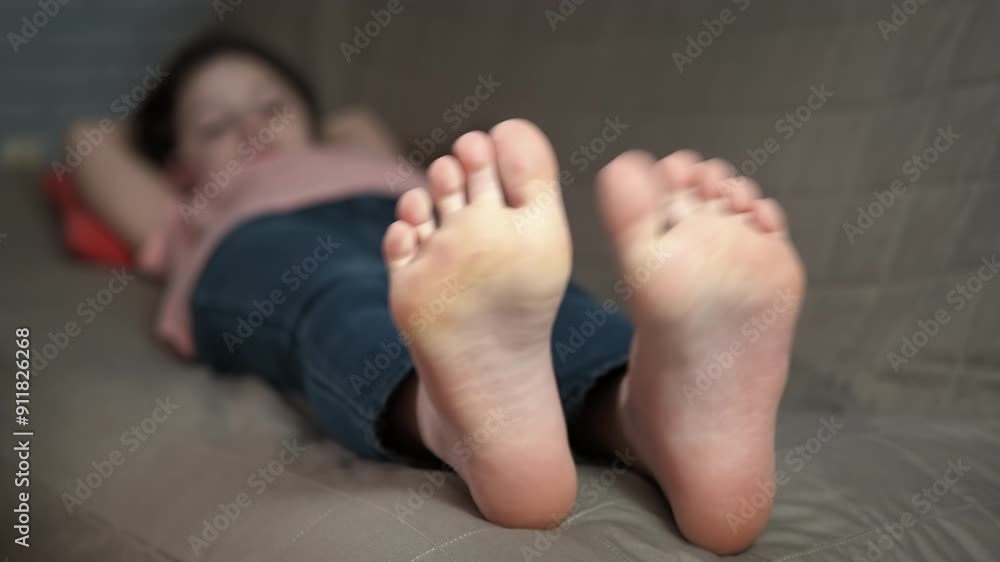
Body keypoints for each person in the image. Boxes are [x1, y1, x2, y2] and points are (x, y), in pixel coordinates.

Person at [67, 34, 805, 554]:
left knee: (549, 308)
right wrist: (205, 149)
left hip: (419, 229)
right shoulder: (188, 215)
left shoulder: (362, 155)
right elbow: (88, 140)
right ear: (177, 168)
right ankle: (454, 416)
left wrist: (314, 129)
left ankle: (650, 410)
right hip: (265, 242)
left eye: (271, 107)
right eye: (217, 126)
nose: (253, 130)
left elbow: (353, 123)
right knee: (343, 297)